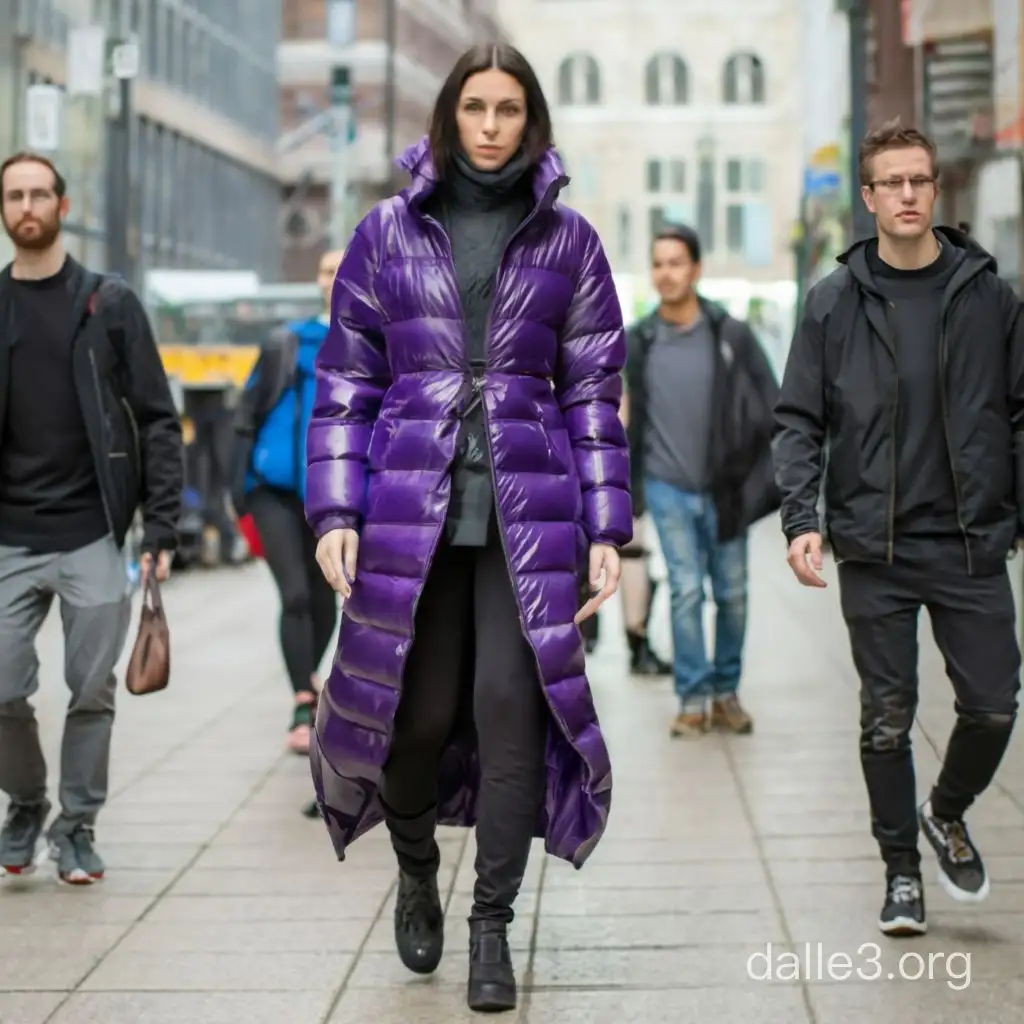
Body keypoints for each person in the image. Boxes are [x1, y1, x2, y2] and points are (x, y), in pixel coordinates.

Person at [304, 43, 631, 1013]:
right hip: (413, 513)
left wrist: (606, 526)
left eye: (509, 109)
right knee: (411, 723)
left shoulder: (569, 241)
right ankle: (416, 869)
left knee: (510, 709)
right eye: (476, 107)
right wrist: (334, 510)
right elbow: (346, 381)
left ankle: (492, 922)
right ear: (449, 114)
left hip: (529, 516)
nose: (491, 126)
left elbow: (593, 393)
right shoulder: (385, 233)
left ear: (532, 121)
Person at [772, 118, 1023, 936]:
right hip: (873, 545)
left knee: (993, 704)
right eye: (893, 183)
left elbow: (1020, 410)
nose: (908, 194)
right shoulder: (833, 302)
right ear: (870, 197)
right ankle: (901, 874)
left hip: (970, 540)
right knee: (887, 715)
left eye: (920, 180)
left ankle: (943, 812)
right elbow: (799, 420)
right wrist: (802, 518)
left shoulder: (987, 296)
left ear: (935, 190)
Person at [0, 151, 182, 884]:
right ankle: (26, 802)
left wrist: (161, 525)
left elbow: (158, 418)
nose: (28, 207)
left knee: (93, 687)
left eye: (39, 194)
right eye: (15, 196)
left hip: (93, 532)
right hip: (9, 536)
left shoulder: (108, 304)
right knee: (2, 686)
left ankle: (76, 826)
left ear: (63, 206)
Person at [626, 224, 779, 738]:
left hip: (726, 488)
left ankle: (725, 692)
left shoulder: (730, 334)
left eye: (676, 262)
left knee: (732, 594)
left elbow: (772, 406)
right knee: (686, 590)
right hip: (667, 485)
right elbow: (626, 416)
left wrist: (759, 481)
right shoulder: (639, 341)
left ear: (695, 269)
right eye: (658, 263)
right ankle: (693, 698)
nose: (666, 273)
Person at [232, 249, 343, 755]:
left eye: (343, 269)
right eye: (326, 270)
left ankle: (310, 679)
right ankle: (303, 700)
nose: (333, 279)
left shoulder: (374, 344)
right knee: (295, 594)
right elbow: (246, 415)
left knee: (324, 600)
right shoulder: (286, 342)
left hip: (334, 497)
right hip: (273, 492)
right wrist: (237, 489)